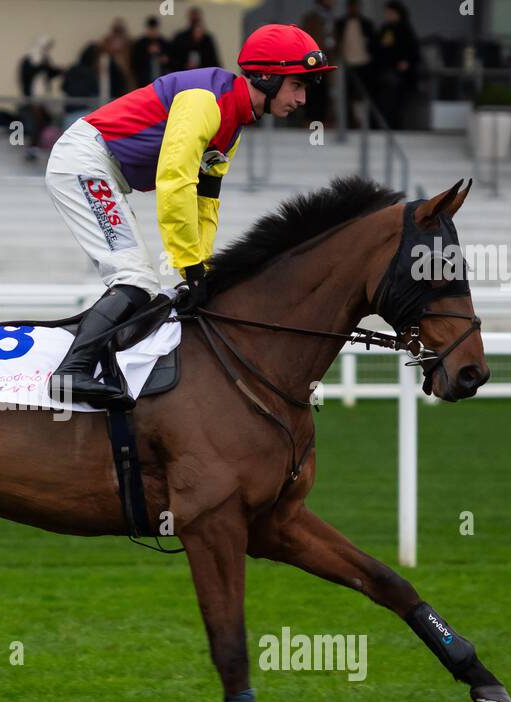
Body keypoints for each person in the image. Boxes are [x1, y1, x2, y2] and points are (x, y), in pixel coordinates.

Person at [44, 23, 335, 409]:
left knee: (143, 285)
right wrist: (189, 264)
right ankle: (71, 374)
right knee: (134, 281)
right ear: (266, 77)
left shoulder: (234, 124)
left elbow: (206, 200)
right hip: (84, 161)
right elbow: (175, 180)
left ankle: (99, 364)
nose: (302, 98)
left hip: (102, 168)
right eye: (297, 85)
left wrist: (200, 269)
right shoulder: (205, 101)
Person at [371, 0, 418, 129]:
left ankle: (394, 125)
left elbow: (411, 50)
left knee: (395, 102)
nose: (387, 15)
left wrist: (406, 62)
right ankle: (383, 125)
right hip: (384, 71)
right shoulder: (385, 29)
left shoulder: (405, 29)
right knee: (384, 101)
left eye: (390, 12)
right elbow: (376, 47)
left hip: (398, 73)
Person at [334, 0, 374, 125]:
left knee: (362, 94)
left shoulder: (366, 24)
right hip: (345, 64)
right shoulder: (340, 23)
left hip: (363, 63)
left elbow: (373, 44)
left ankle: (362, 122)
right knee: (346, 94)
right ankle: (348, 122)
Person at [301, 0, 336, 125]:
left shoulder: (331, 18)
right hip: (314, 60)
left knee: (325, 93)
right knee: (313, 91)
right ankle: (310, 122)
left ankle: (323, 121)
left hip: (328, 61)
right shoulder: (312, 18)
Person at [131, 16, 171, 87]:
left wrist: (164, 59)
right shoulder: (140, 44)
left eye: (154, 30)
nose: (153, 32)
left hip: (161, 79)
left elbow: (171, 61)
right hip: (145, 80)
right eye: (151, 30)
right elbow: (135, 63)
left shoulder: (164, 43)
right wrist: (147, 53)